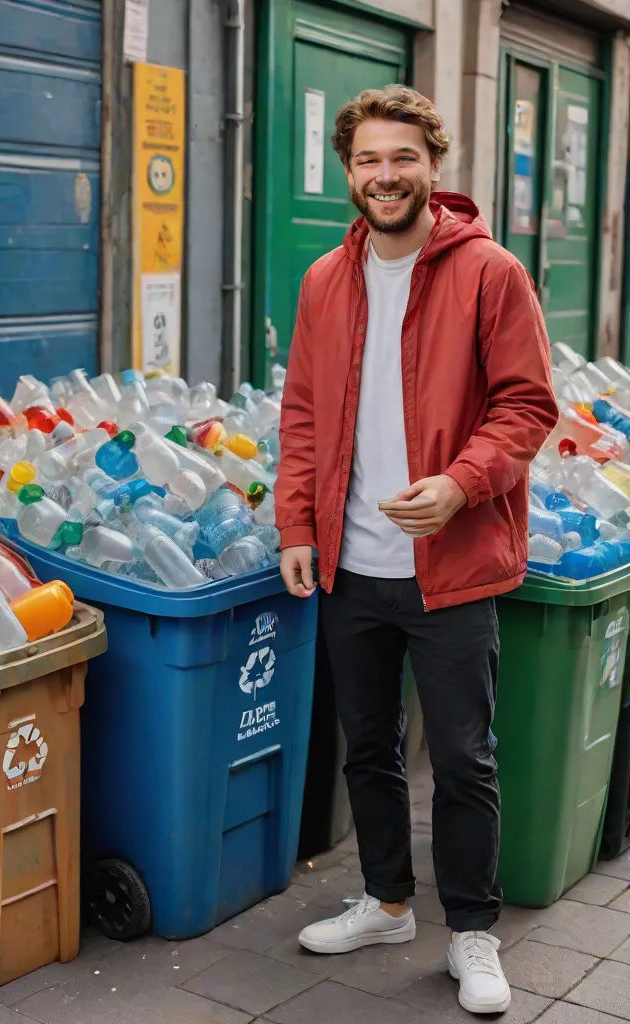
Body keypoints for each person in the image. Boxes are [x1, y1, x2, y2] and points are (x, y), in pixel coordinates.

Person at [275, 85, 558, 1015]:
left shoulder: (490, 274)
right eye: (367, 160)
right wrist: (296, 527)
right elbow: (306, 417)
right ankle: (389, 903)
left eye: (402, 158)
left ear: (434, 165)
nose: (384, 175)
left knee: (466, 759)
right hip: (353, 565)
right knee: (368, 747)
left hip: (454, 566)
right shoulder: (326, 280)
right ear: (347, 171)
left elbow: (526, 406)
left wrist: (460, 483)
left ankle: (473, 933)